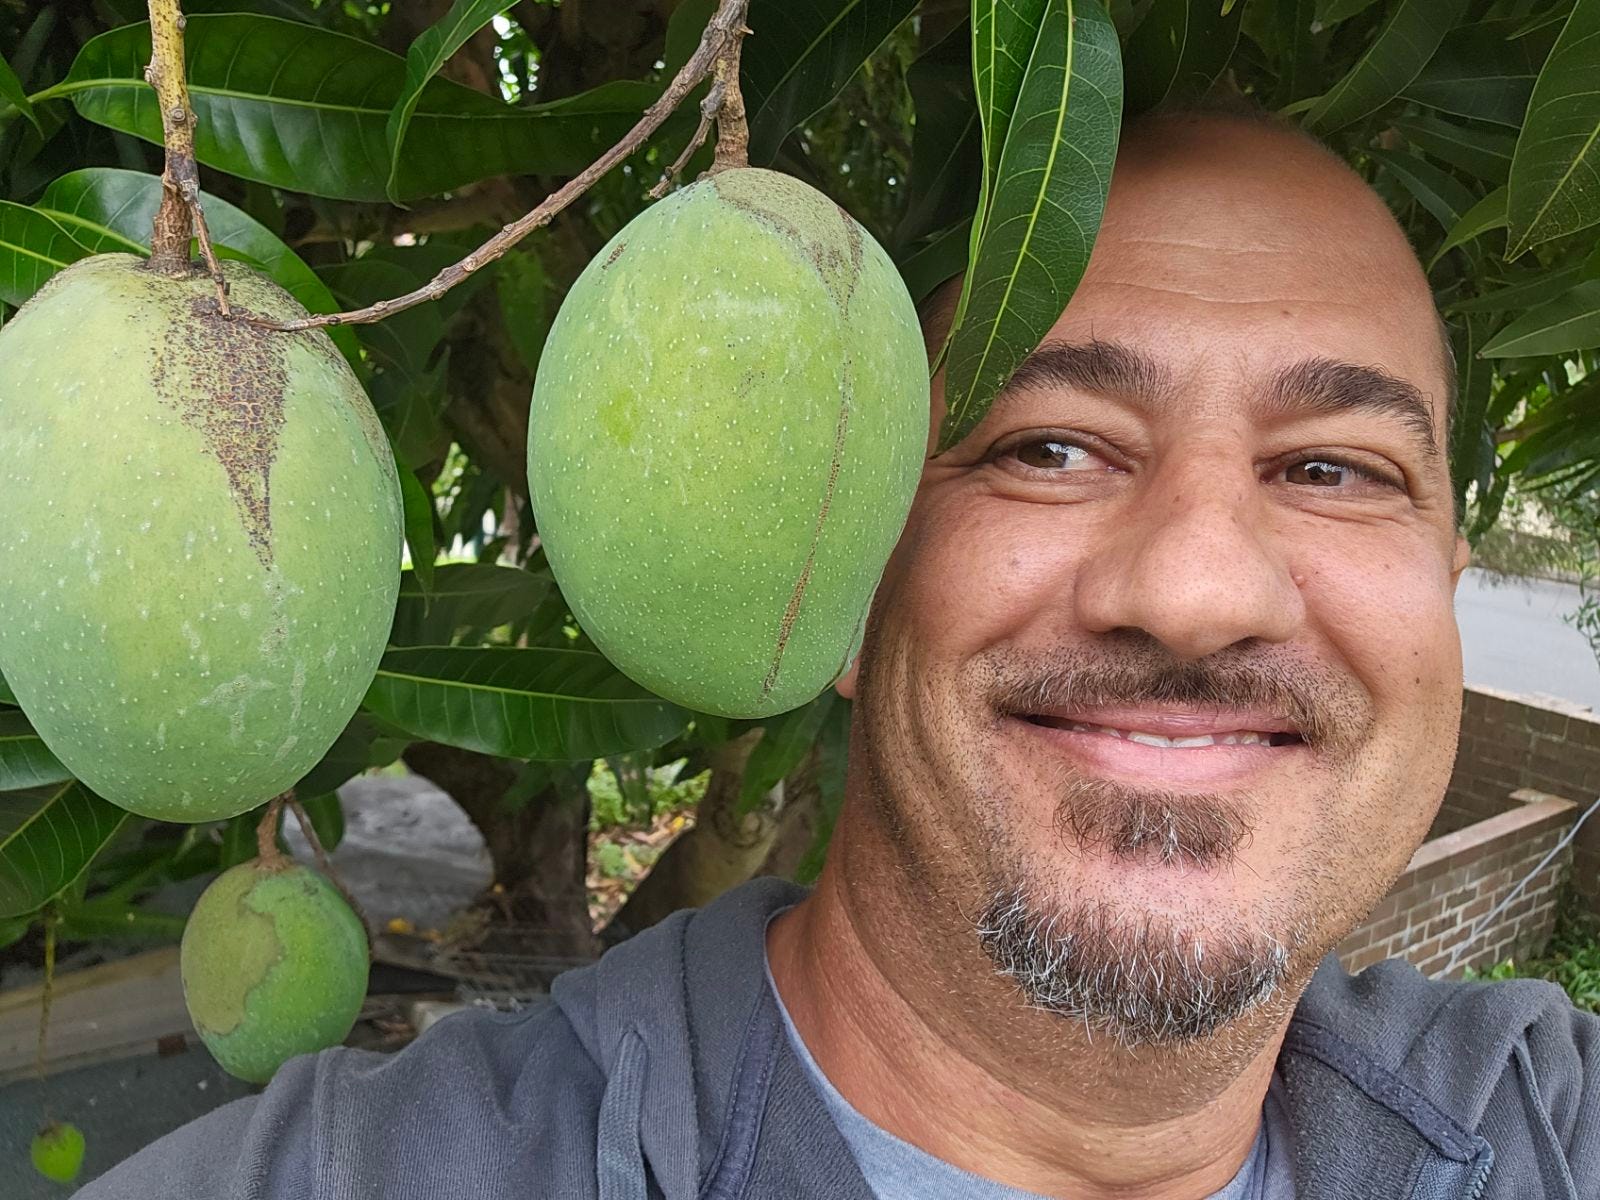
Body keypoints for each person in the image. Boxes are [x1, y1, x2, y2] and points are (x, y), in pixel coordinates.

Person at [80, 107, 1596, 1200]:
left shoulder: (1550, 1127)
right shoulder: (383, 1172)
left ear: (1447, 584)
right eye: (1050, 446)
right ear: (846, 572)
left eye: (1334, 467)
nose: (1198, 591)